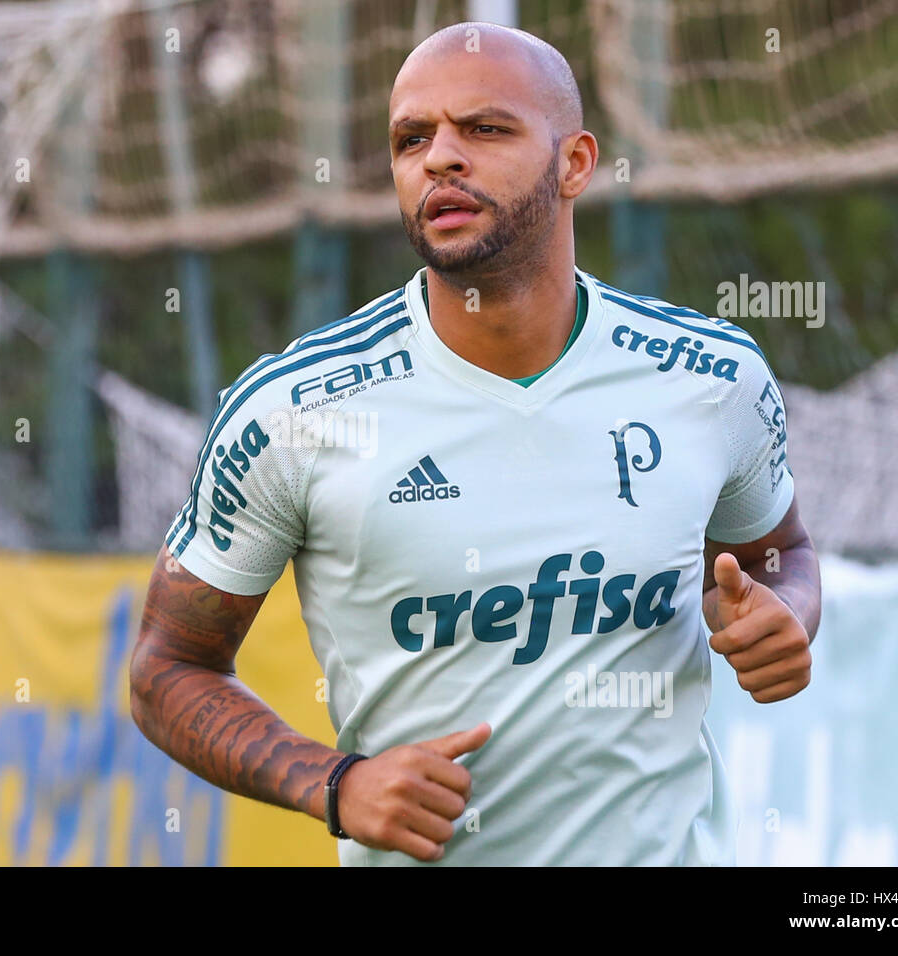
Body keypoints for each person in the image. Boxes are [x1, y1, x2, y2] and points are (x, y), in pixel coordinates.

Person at [129, 21, 820, 865]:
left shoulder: (711, 378)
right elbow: (166, 669)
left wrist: (789, 617)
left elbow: (779, 554)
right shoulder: (294, 411)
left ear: (575, 162)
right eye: (411, 138)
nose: (439, 159)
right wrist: (337, 784)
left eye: (484, 129)